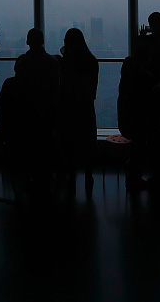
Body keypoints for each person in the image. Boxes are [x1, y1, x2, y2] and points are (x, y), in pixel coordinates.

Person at [13, 29, 60, 201]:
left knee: (31, 147)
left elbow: (19, 88)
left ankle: (33, 179)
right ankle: (45, 180)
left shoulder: (23, 63)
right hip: (47, 112)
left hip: (28, 113)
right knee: (45, 147)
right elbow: (56, 88)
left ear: (28, 42)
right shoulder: (52, 61)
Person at [118, 40, 160, 191]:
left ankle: (133, 175)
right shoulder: (141, 75)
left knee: (137, 145)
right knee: (139, 145)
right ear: (146, 57)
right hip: (137, 118)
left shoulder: (128, 69)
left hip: (128, 115)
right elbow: (146, 97)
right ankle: (134, 177)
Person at [56, 28, 99, 194]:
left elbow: (63, 84)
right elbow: (93, 86)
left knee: (70, 142)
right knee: (88, 141)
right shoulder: (91, 60)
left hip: (68, 106)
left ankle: (72, 177)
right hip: (86, 105)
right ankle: (89, 176)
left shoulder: (66, 61)